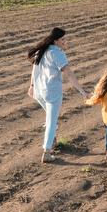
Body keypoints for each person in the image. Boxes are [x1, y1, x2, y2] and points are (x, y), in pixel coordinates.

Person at [28, 27, 88, 163]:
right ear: (55, 41)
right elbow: (69, 74)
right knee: (51, 121)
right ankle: (47, 152)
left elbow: (34, 70)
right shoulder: (57, 53)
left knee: (51, 118)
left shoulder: (41, 50)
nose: (65, 41)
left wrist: (31, 86)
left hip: (39, 91)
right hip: (52, 93)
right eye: (63, 39)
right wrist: (82, 91)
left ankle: (52, 139)